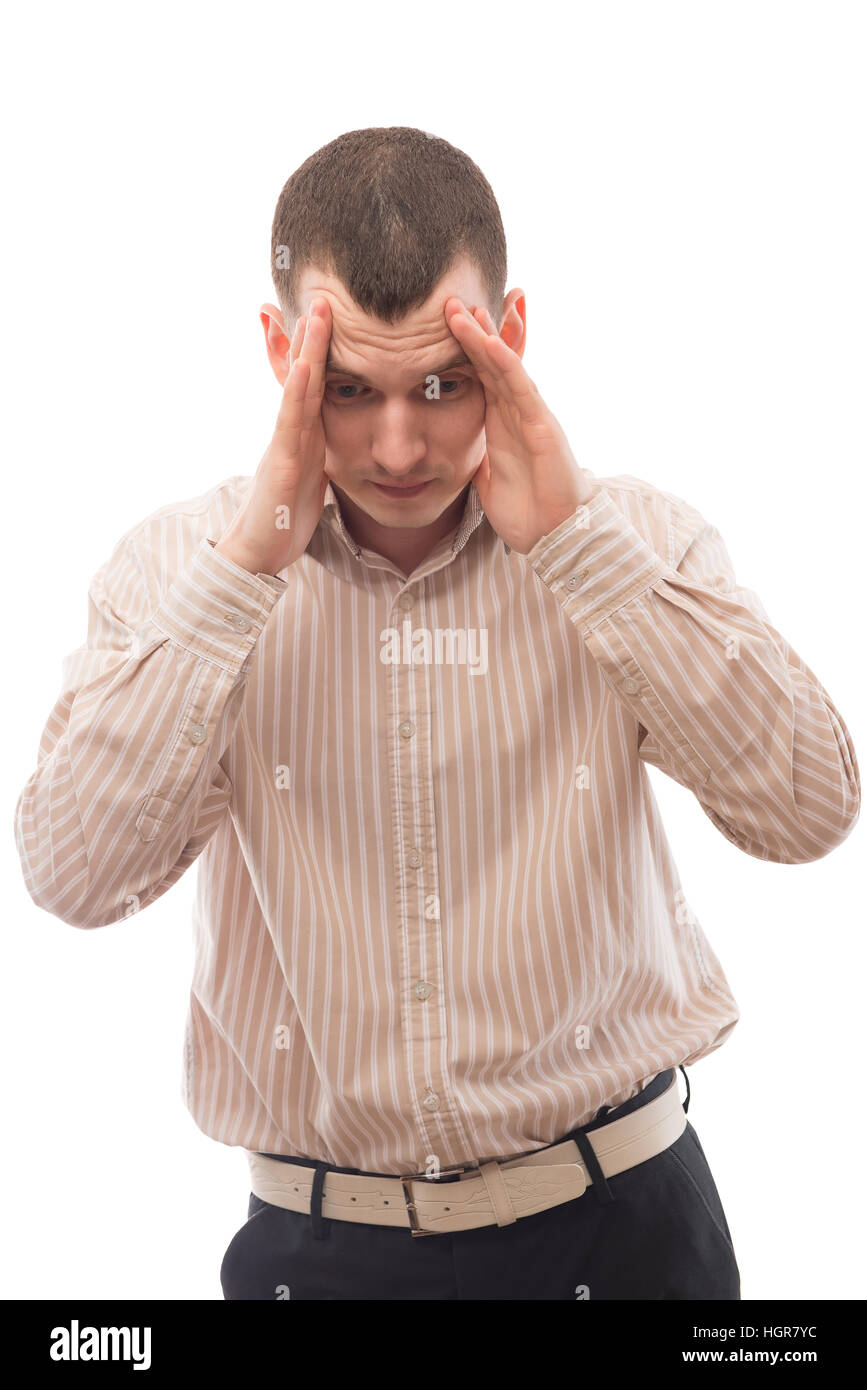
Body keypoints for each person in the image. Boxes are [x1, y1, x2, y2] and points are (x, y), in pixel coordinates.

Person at [14, 127, 859, 1301]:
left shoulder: (636, 540)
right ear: (279, 349)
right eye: (349, 389)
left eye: (441, 384)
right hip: (318, 1256)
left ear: (508, 339)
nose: (398, 444)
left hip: (629, 1237)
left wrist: (578, 550)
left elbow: (810, 812)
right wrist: (243, 573)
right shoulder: (175, 571)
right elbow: (70, 876)